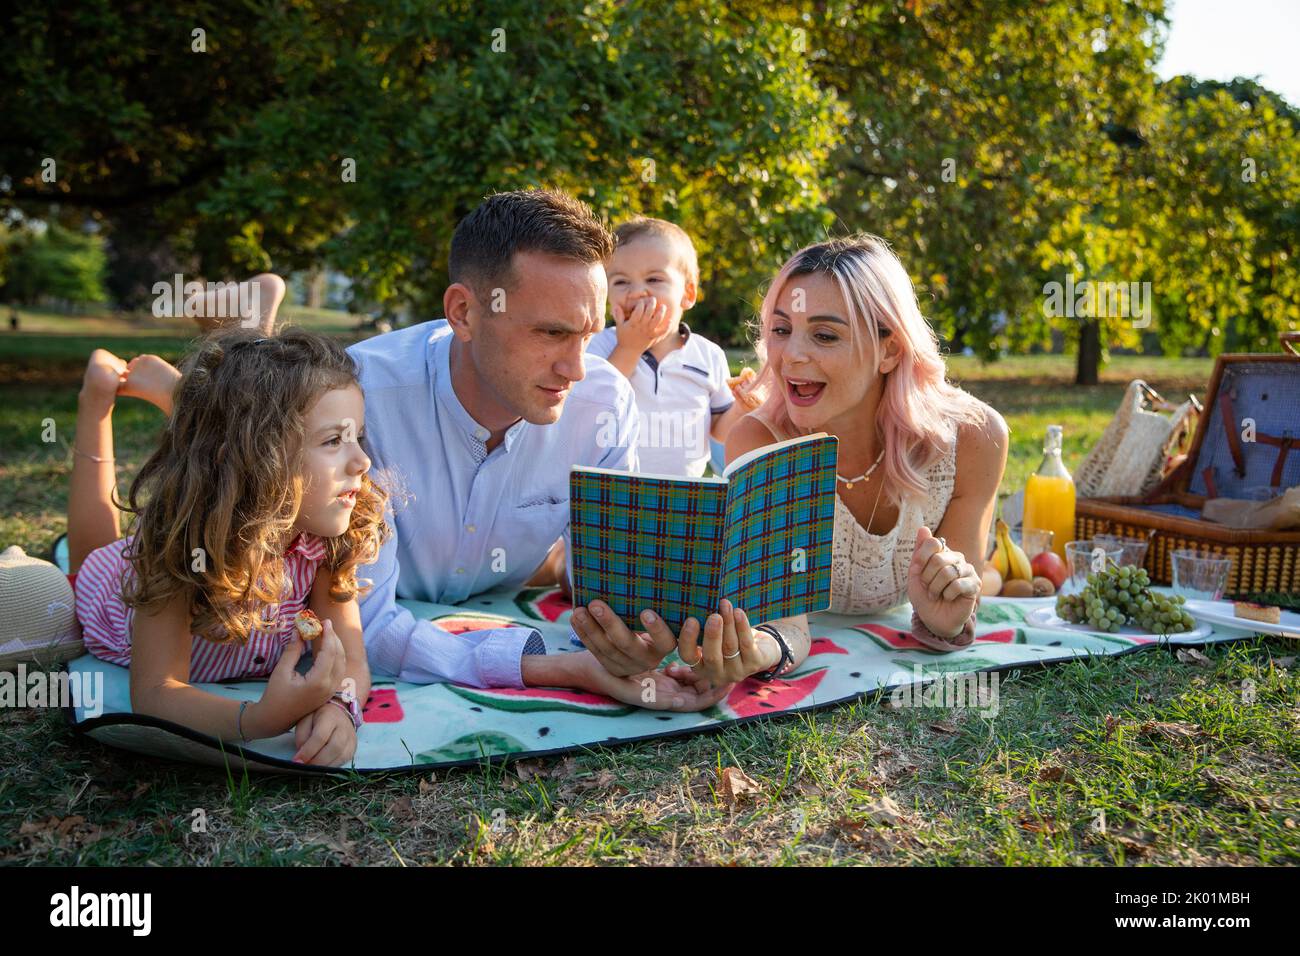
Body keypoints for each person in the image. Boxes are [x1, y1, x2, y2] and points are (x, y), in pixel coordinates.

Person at [348, 189, 730, 712]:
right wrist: (560, 669)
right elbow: (360, 628)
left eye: (589, 334)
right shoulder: (361, 397)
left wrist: (644, 631)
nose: (577, 368)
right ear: (463, 312)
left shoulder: (602, 401)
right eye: (551, 332)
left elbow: (606, 581)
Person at [571, 234, 1009, 689]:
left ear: (891, 348)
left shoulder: (974, 438)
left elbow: (956, 609)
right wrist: (756, 651)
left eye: (824, 335)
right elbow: (788, 624)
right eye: (781, 330)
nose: (791, 356)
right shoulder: (761, 439)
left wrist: (946, 618)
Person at [70, 328, 387, 765]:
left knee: (224, 431)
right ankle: (97, 400)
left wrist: (342, 707)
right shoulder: (180, 547)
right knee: (85, 561)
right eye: (334, 441)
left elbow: (352, 659)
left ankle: (194, 405)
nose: (362, 461)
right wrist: (257, 719)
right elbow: (155, 693)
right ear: (258, 458)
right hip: (113, 595)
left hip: (239, 477)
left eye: (358, 437)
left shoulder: (327, 537)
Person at [587, 217, 756, 477]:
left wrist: (741, 407)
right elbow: (593, 404)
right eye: (621, 281)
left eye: (653, 280)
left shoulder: (707, 355)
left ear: (688, 294)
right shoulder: (600, 344)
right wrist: (630, 348)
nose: (637, 292)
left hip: (684, 495)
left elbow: (719, 431)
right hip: (613, 489)